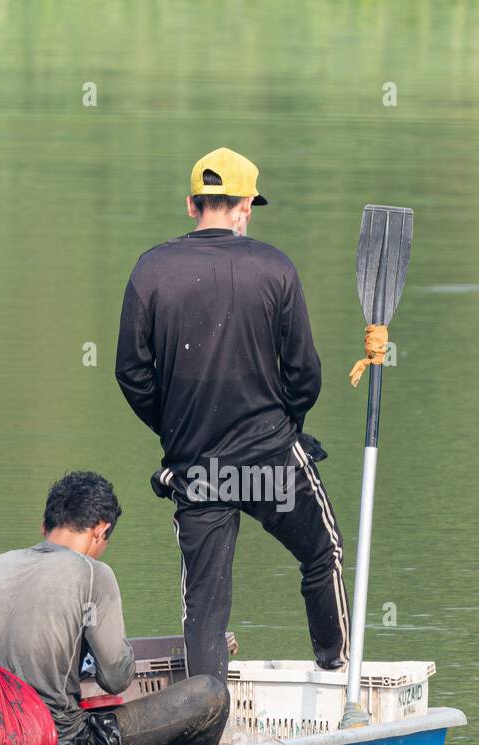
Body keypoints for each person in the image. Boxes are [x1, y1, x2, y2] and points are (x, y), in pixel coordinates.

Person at [115, 147, 349, 683]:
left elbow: (132, 372)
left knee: (204, 605)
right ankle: (335, 669)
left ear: (192, 203)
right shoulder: (275, 267)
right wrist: (287, 425)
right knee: (322, 553)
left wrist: (176, 423)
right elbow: (305, 373)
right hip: (272, 458)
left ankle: (204, 711)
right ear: (245, 205)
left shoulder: (151, 270)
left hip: (196, 467)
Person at [0, 471, 228, 745]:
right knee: (210, 694)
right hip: (58, 734)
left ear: (44, 526)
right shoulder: (94, 573)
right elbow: (115, 679)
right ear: (101, 530)